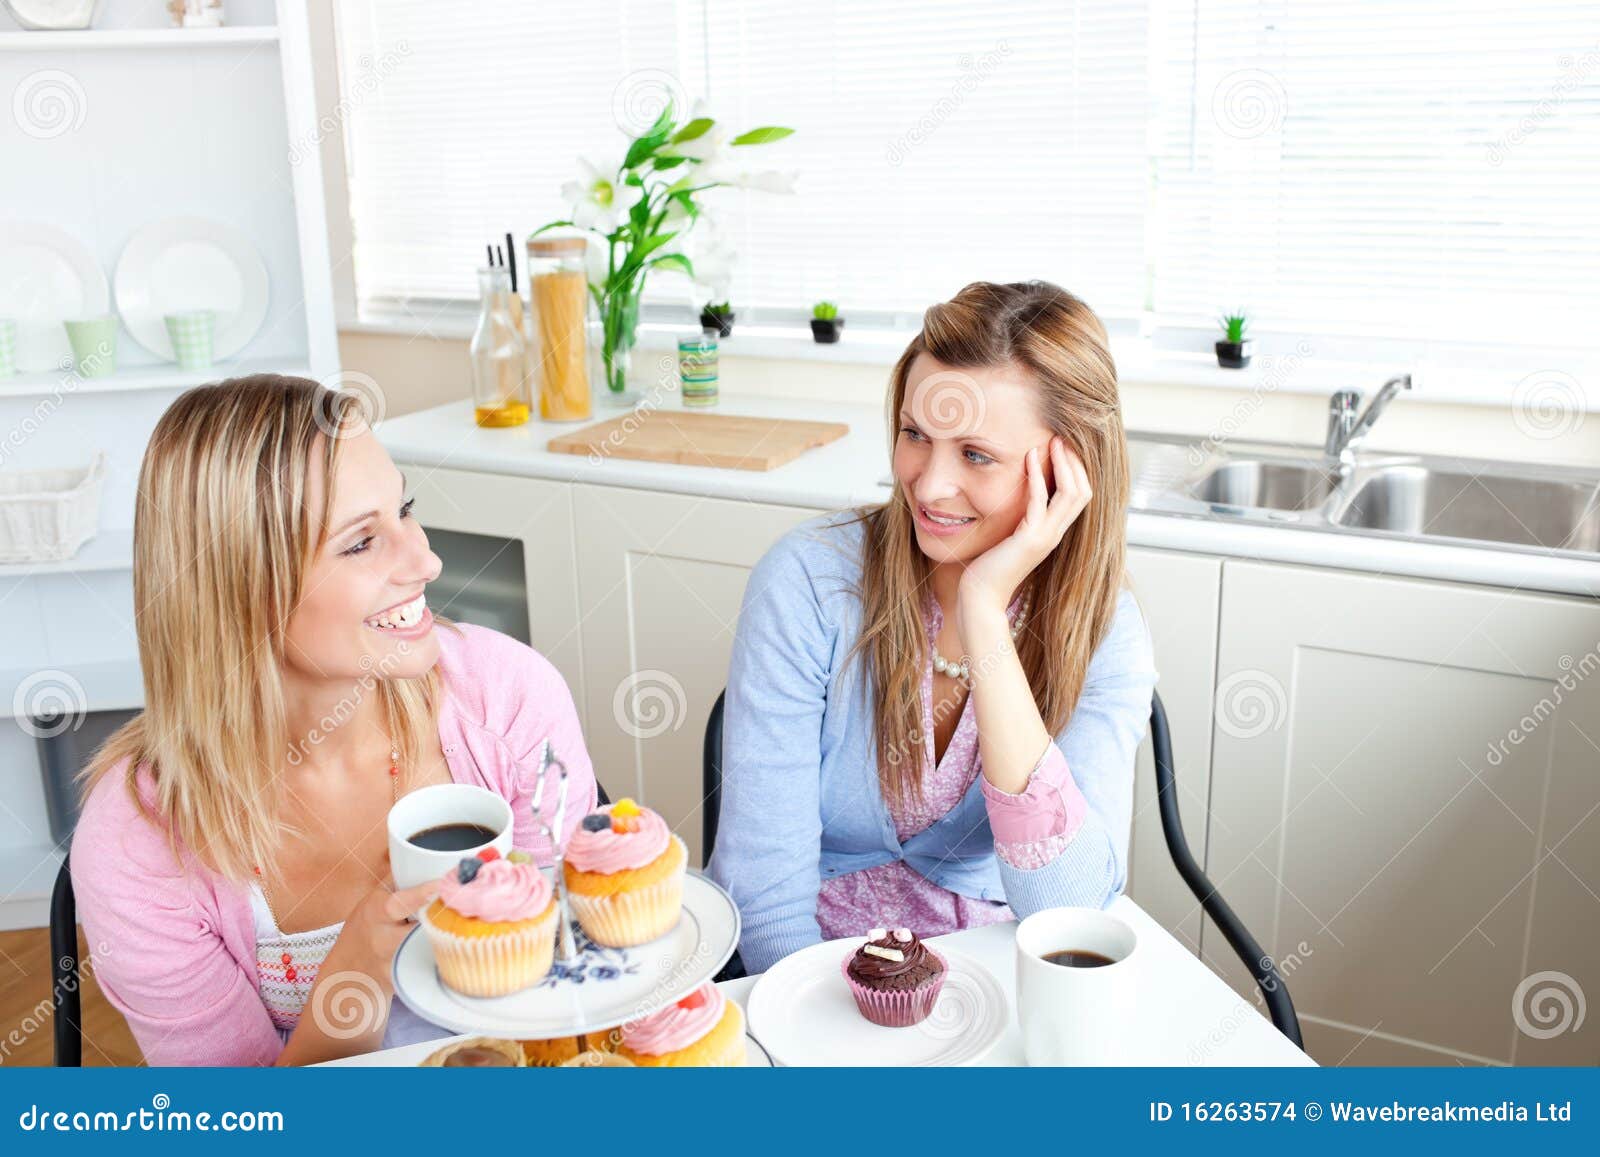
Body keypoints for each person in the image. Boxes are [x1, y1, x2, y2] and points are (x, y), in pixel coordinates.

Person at [71, 375, 596, 1065]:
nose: (427, 559)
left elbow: (576, 998)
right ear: (238, 590)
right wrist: (361, 961)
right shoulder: (138, 843)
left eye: (404, 508)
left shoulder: (508, 698)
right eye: (360, 543)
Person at [709, 280, 1158, 973]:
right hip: (805, 980)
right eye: (916, 435)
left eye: (976, 454)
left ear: (1068, 470)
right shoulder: (807, 583)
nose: (928, 484)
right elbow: (764, 901)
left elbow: (1073, 912)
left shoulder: (1104, 629)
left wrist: (982, 612)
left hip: (995, 982)